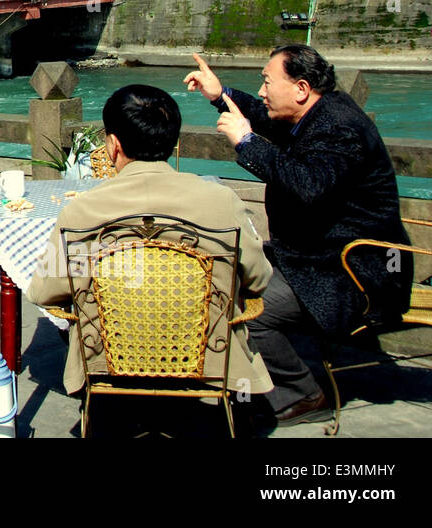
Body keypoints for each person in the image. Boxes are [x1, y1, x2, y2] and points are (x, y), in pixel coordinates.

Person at [184, 47, 411, 427]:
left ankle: (303, 395)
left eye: (268, 81)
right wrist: (219, 94)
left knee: (242, 308)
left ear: (301, 88)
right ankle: (250, 380)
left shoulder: (338, 127)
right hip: (314, 257)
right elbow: (262, 117)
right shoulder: (313, 114)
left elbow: (308, 186)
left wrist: (246, 143)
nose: (261, 91)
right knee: (222, 275)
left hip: (350, 271)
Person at [27, 86, 273, 409]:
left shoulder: (81, 212)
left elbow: (43, 292)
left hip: (109, 359)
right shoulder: (223, 202)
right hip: (208, 358)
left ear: (113, 146)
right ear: (175, 144)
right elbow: (258, 279)